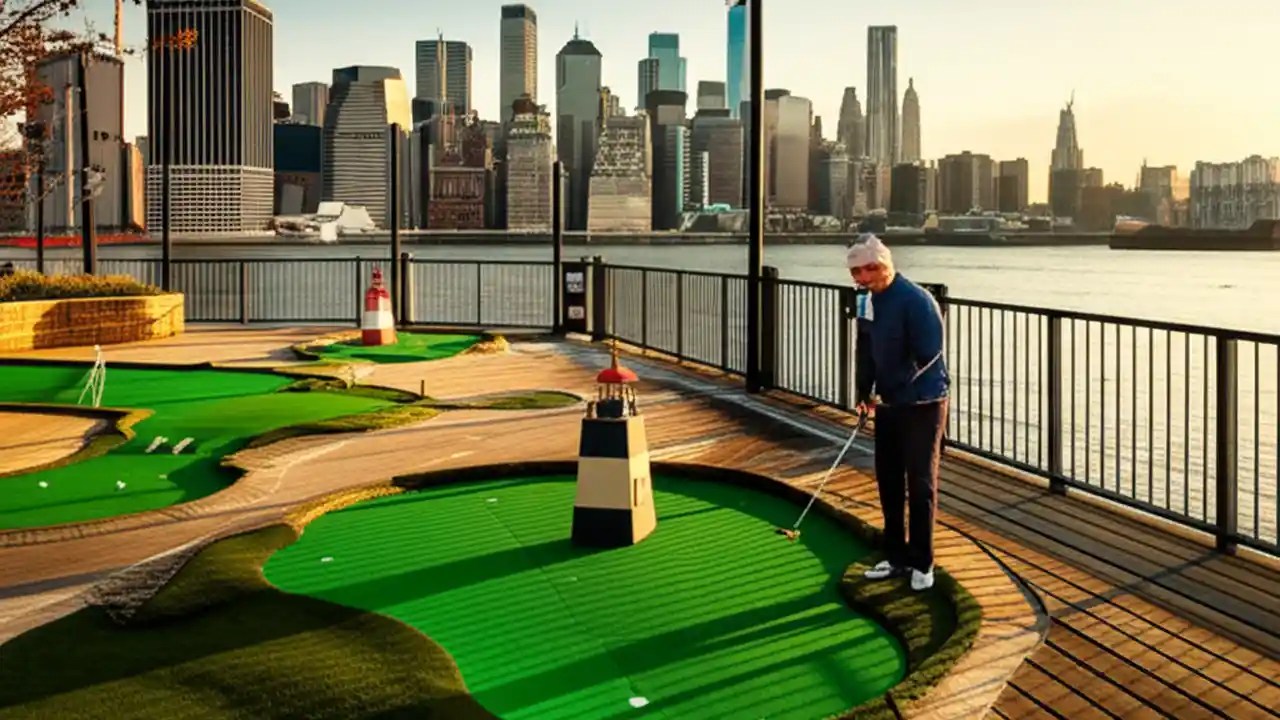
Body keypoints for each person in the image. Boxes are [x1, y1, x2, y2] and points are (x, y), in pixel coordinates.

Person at [846, 234, 949, 591]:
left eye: (870, 268)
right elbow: (864, 347)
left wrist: (891, 391)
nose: (864, 277)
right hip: (887, 403)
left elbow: (929, 357)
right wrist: (863, 391)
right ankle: (895, 556)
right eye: (857, 271)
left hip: (923, 403)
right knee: (888, 479)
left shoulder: (917, 300)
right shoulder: (864, 301)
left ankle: (923, 562)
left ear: (885, 264)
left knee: (919, 483)